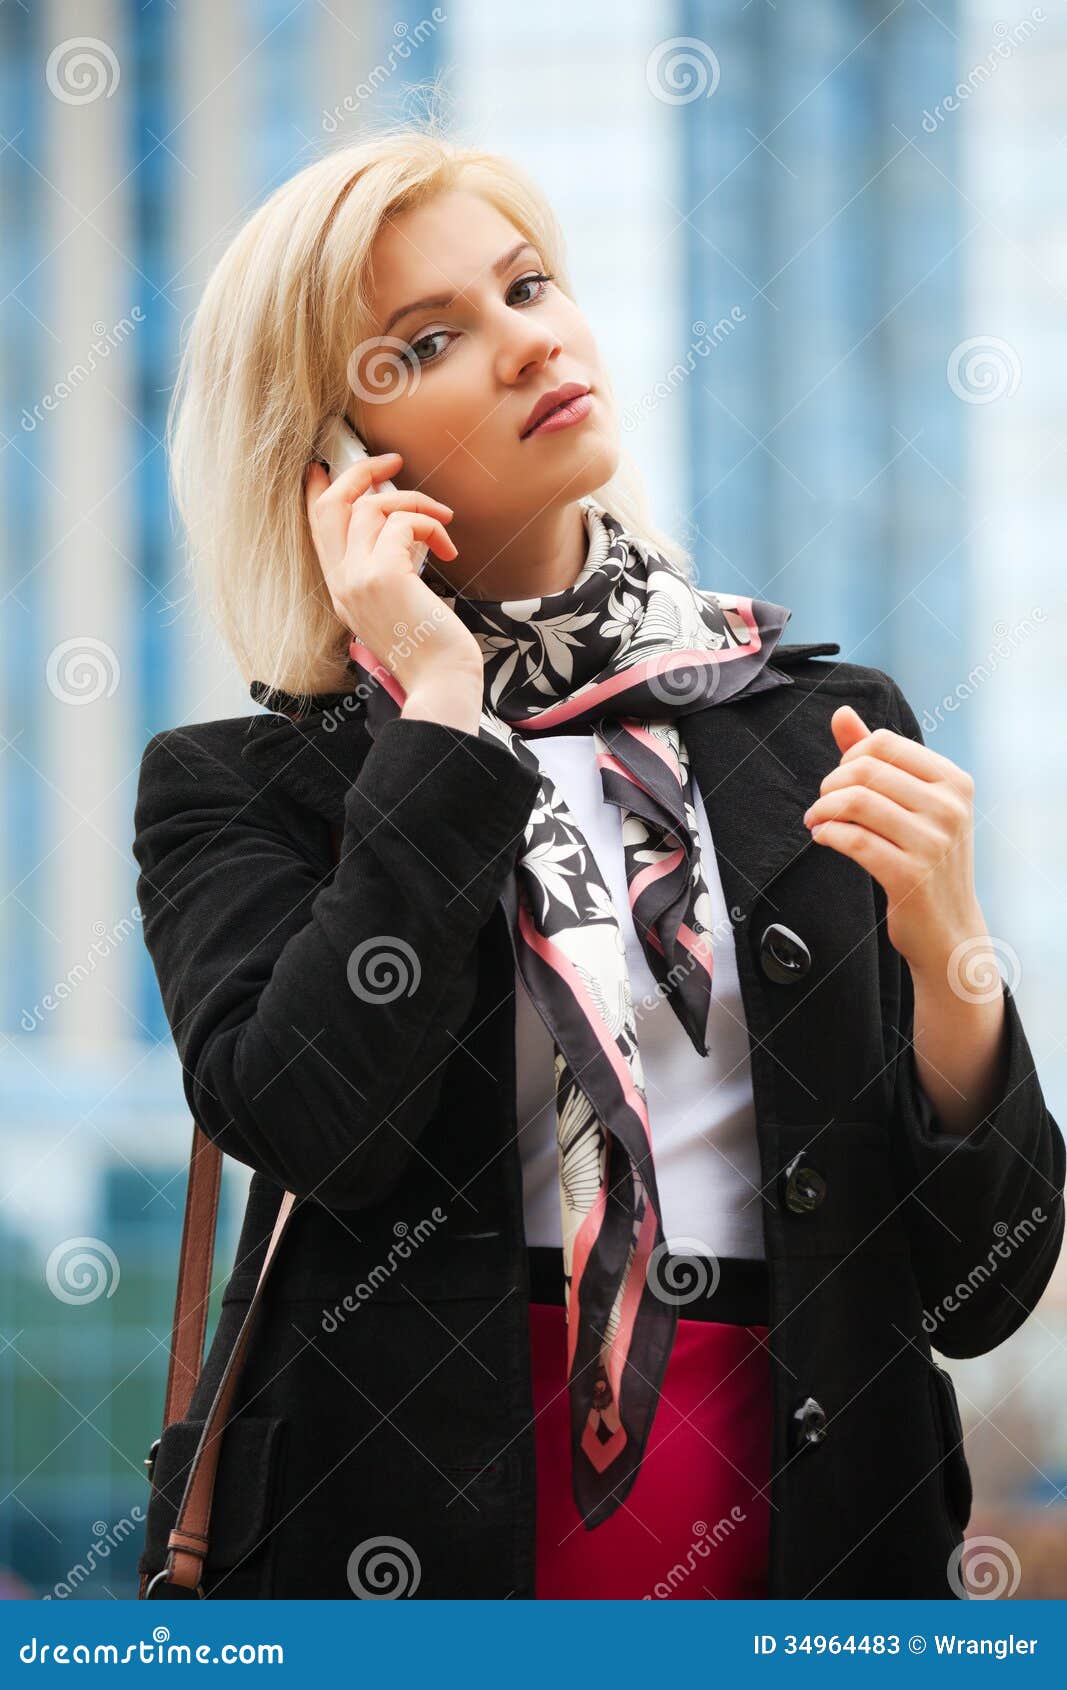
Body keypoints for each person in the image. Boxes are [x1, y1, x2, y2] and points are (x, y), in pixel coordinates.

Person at [132, 123, 1065, 1601]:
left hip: (817, 1541)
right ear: (330, 460)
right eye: (429, 339)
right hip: (402, 1546)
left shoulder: (810, 722)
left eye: (529, 286)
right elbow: (312, 1122)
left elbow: (981, 1286)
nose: (524, 343)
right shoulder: (247, 787)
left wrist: (952, 950)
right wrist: (437, 713)